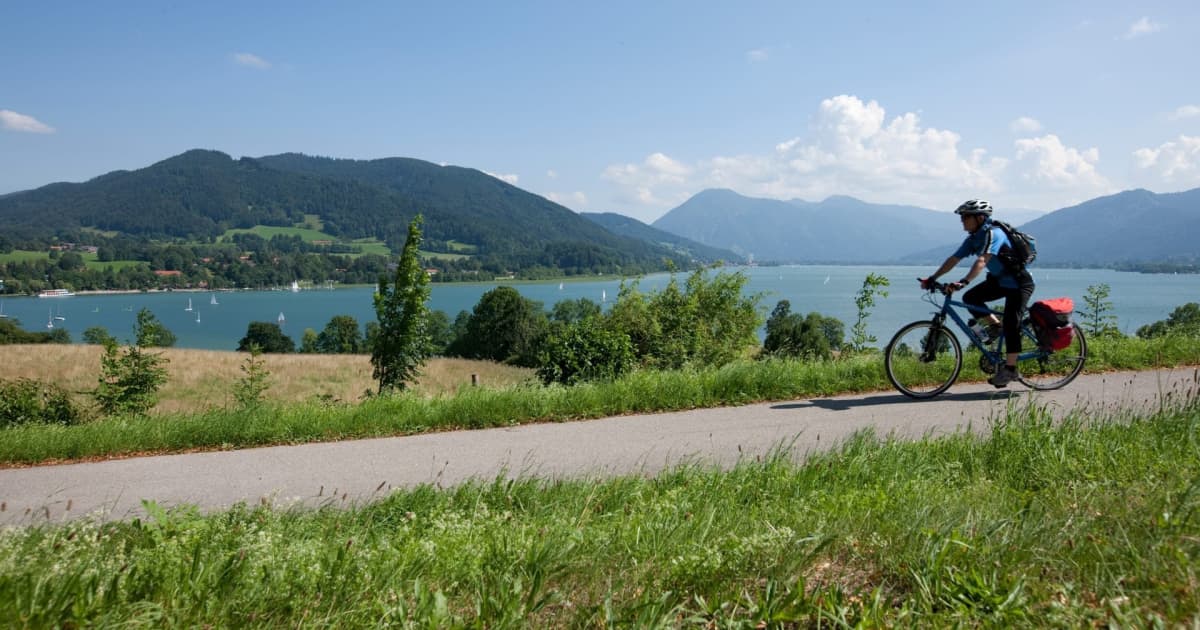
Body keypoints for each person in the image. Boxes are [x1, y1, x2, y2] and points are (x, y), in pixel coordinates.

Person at [919, 199, 1035, 388]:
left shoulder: (993, 234)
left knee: (1012, 322)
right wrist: (932, 277)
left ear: (980, 218)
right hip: (999, 282)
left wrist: (964, 281)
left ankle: (1011, 369)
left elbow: (982, 260)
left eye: (966, 217)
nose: (962, 221)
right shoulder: (974, 238)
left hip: (1019, 284)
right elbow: (953, 259)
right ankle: (996, 327)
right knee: (970, 298)